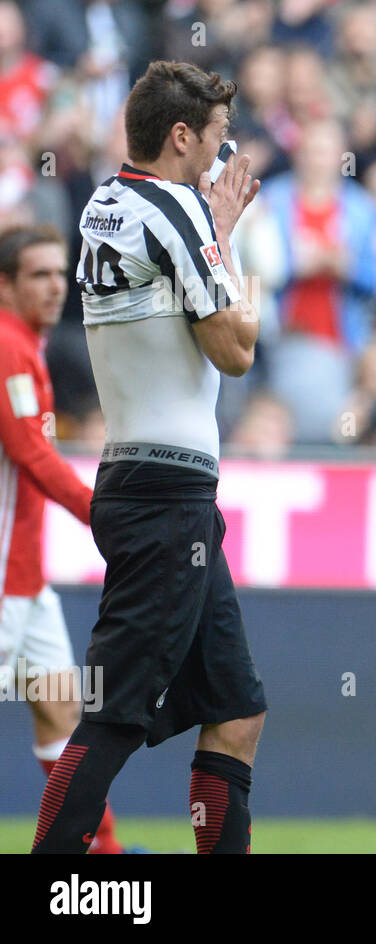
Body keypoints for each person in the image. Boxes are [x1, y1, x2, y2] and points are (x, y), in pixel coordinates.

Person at [31, 60, 266, 854]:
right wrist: (230, 251)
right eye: (216, 142)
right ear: (179, 137)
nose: (221, 161)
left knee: (235, 710)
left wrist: (215, 232)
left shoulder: (107, 200)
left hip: (149, 481)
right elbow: (234, 350)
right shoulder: (175, 208)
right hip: (166, 493)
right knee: (112, 715)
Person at [0, 225, 123, 853]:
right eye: (38, 275)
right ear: (6, 285)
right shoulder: (6, 345)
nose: (55, 286)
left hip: (26, 581)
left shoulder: (27, 347)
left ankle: (98, 857)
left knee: (61, 717)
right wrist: (100, 512)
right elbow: (30, 452)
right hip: (2, 581)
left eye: (59, 273)